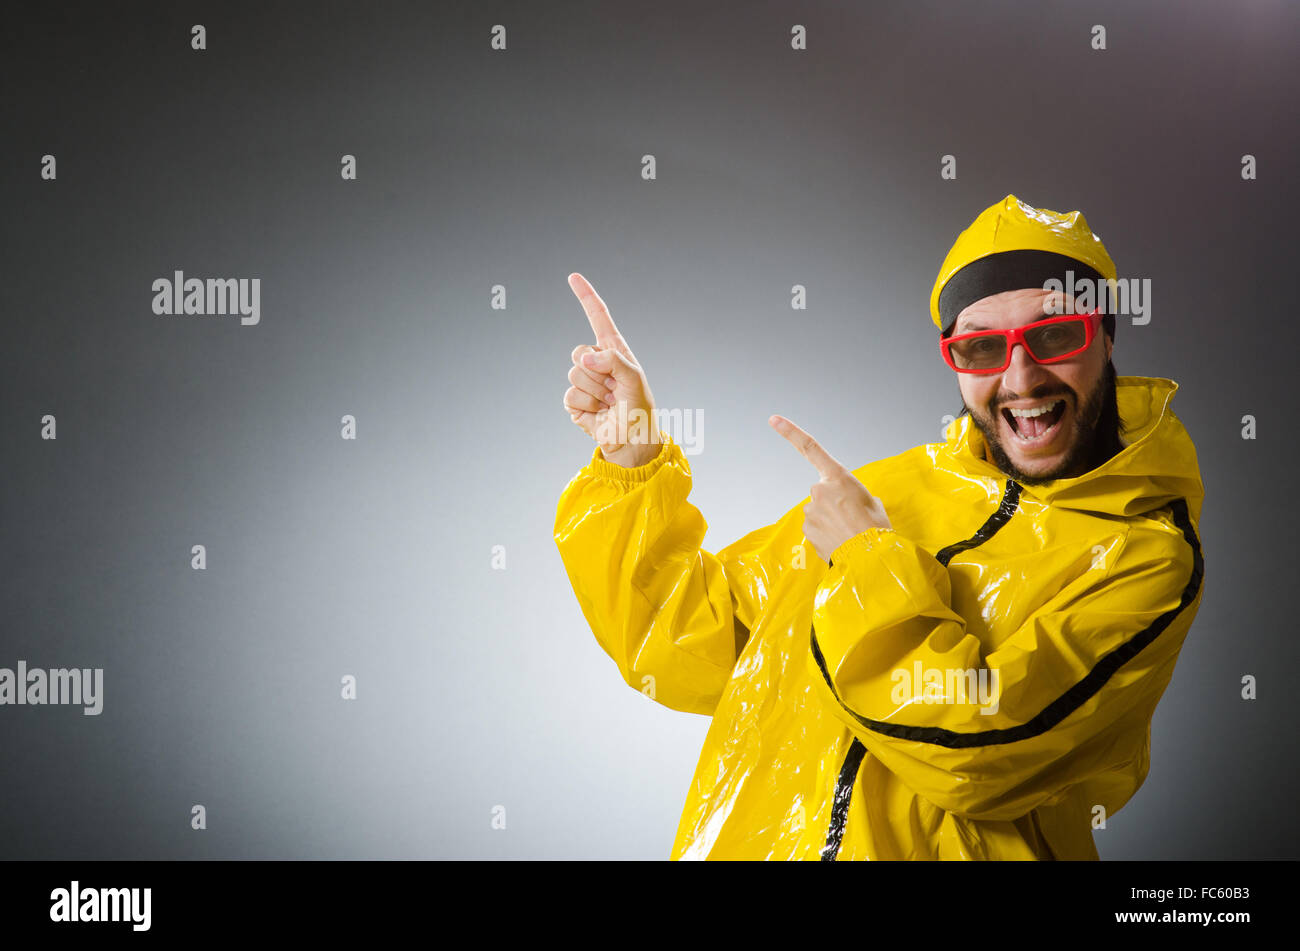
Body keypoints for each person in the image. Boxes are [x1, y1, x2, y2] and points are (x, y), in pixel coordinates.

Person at [553, 195, 1205, 860]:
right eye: (981, 346)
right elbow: (691, 645)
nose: (1021, 376)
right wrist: (629, 453)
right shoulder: (891, 490)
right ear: (955, 359)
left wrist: (869, 559)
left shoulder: (1145, 555)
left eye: (1057, 334)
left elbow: (978, 751)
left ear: (1107, 336)